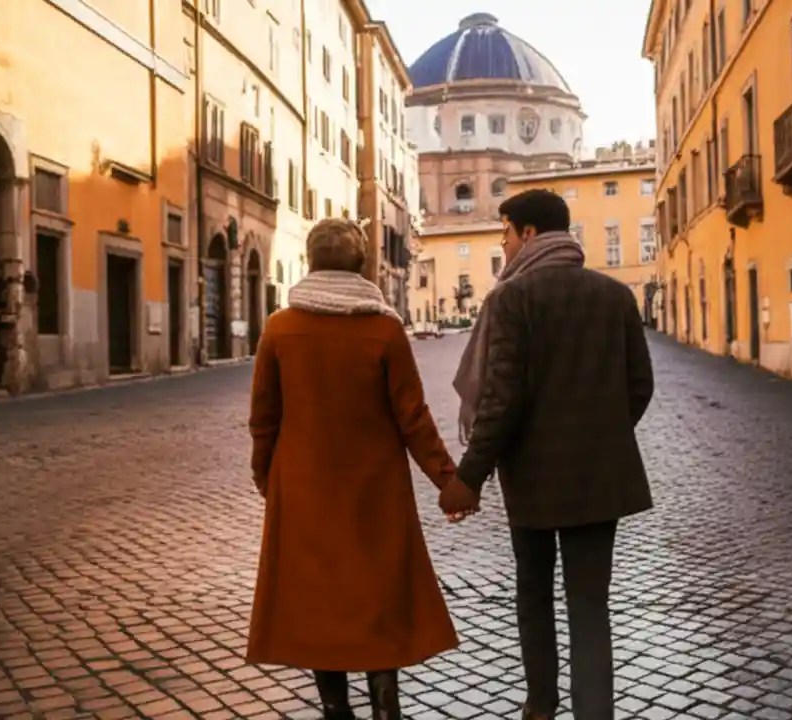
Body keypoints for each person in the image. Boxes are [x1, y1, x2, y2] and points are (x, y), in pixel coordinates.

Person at [439, 189, 655, 719]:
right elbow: (640, 385)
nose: (504, 245)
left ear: (530, 234)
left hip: (532, 479)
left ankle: (540, 707)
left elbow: (499, 400)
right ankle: (594, 712)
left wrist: (469, 476)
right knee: (589, 605)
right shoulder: (614, 296)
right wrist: (599, 432)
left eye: (506, 234)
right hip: (599, 479)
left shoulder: (513, 300)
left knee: (533, 596)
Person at [246, 219, 460, 720]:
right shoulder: (384, 329)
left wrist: (265, 476)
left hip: (302, 486)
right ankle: (387, 706)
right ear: (362, 265)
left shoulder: (279, 329)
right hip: (375, 489)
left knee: (321, 598)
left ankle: (335, 708)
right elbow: (413, 416)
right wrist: (447, 479)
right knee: (377, 595)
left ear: (310, 263)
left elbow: (263, 418)